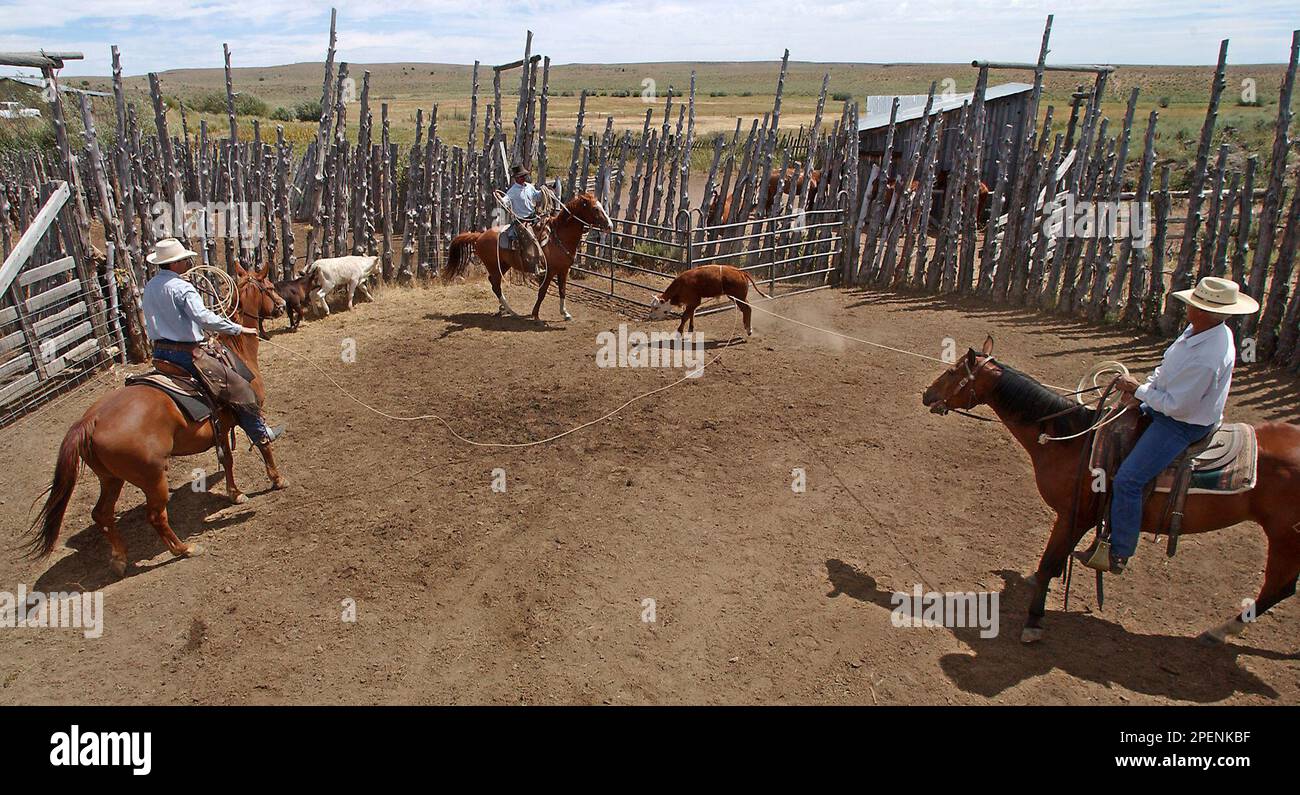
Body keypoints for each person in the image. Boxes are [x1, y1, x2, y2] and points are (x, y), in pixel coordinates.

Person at [1079, 276, 1259, 574]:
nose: (1187, 307)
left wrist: (1139, 391)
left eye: (1192, 304)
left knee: (1128, 479)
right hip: (1165, 405)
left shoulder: (1208, 355)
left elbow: (1178, 406)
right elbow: (1166, 371)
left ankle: (1119, 551)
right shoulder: (1201, 331)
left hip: (1182, 424)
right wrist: (1143, 391)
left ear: (1201, 311)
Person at [141, 238, 285, 448]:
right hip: (187, 354)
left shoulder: (150, 286)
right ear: (173, 264)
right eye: (182, 260)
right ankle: (260, 433)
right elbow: (203, 318)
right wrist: (238, 328)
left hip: (160, 354)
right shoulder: (182, 288)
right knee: (241, 387)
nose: (186, 264)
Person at [502, 164, 545, 271]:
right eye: (521, 176)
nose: (523, 178)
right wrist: (501, 199)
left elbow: (537, 196)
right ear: (516, 178)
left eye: (524, 176)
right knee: (532, 238)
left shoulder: (530, 187)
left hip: (533, 217)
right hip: (521, 221)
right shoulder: (512, 191)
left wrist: (544, 191)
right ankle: (537, 264)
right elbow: (505, 201)